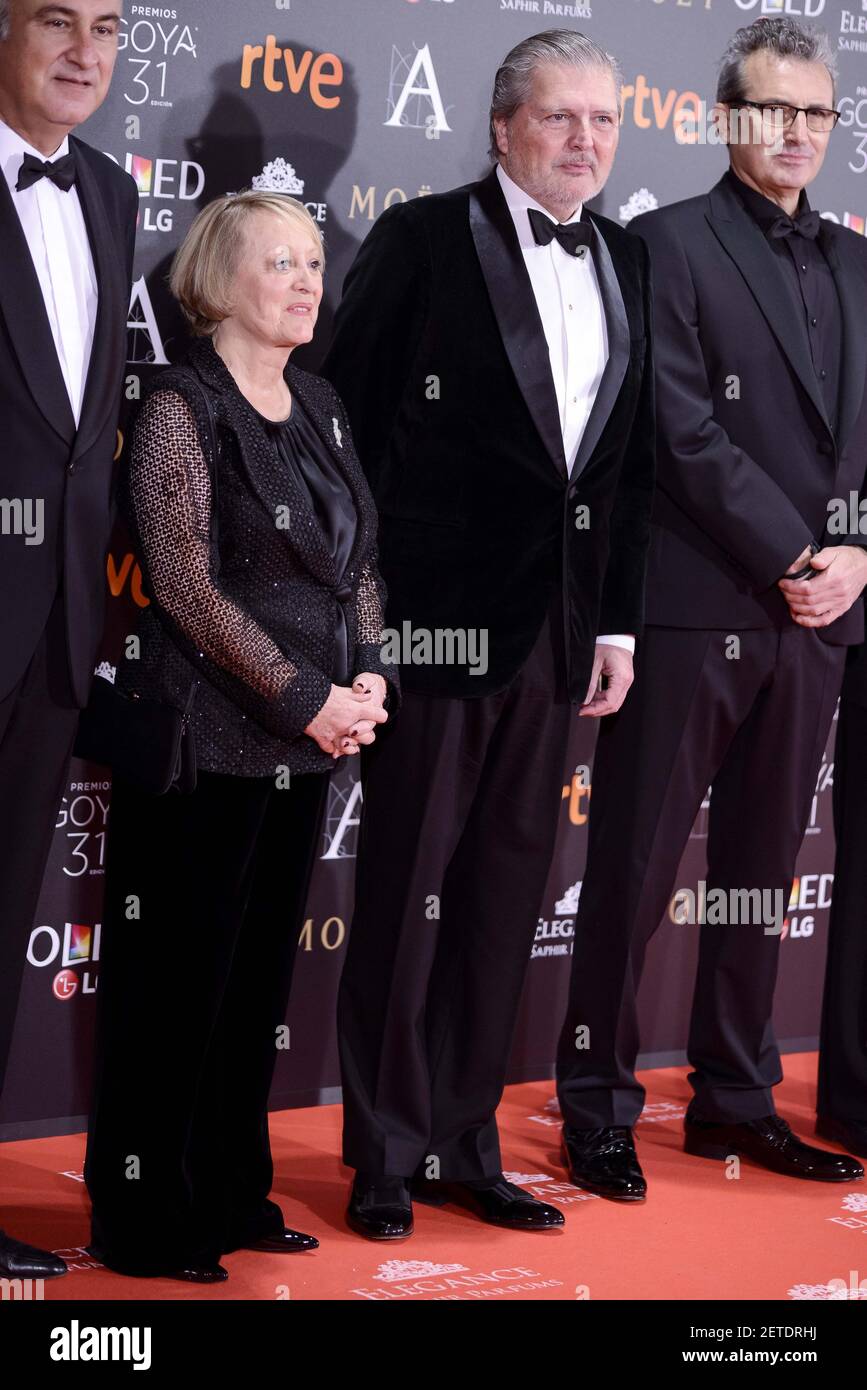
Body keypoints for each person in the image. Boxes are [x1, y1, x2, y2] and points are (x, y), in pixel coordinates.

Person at [322, 29, 655, 1239]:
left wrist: (614, 621)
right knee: (405, 888)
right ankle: (380, 1151)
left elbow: (627, 467)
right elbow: (345, 440)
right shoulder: (419, 240)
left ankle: (466, 1139)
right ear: (505, 126)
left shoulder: (625, 255)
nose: (585, 141)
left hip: (559, 641)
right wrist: (367, 628)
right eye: (560, 118)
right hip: (427, 635)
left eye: (604, 122)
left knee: (505, 900)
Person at [557, 16, 867, 1201]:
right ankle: (597, 1104)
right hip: (694, 610)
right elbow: (677, 430)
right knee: (630, 870)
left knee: (760, 868)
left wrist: (855, 558)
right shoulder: (662, 244)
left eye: (816, 114)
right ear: (727, 116)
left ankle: (735, 1101)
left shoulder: (855, 261)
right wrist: (803, 546)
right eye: (774, 110)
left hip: (818, 620)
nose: (796, 133)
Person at [83, 191, 397, 1282]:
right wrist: (306, 691)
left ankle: (228, 1188)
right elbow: (184, 588)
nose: (310, 281)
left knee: (255, 984)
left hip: (304, 744)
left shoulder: (323, 402)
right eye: (284, 263)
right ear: (224, 275)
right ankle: (141, 1213)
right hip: (205, 739)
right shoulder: (180, 401)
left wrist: (366, 675)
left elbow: (357, 560)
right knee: (173, 988)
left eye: (316, 262)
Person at [0, 0, 137, 1280]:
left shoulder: (107, 189)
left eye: (106, 26)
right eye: (56, 18)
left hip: (52, 631)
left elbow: (81, 426)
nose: (86, 50)